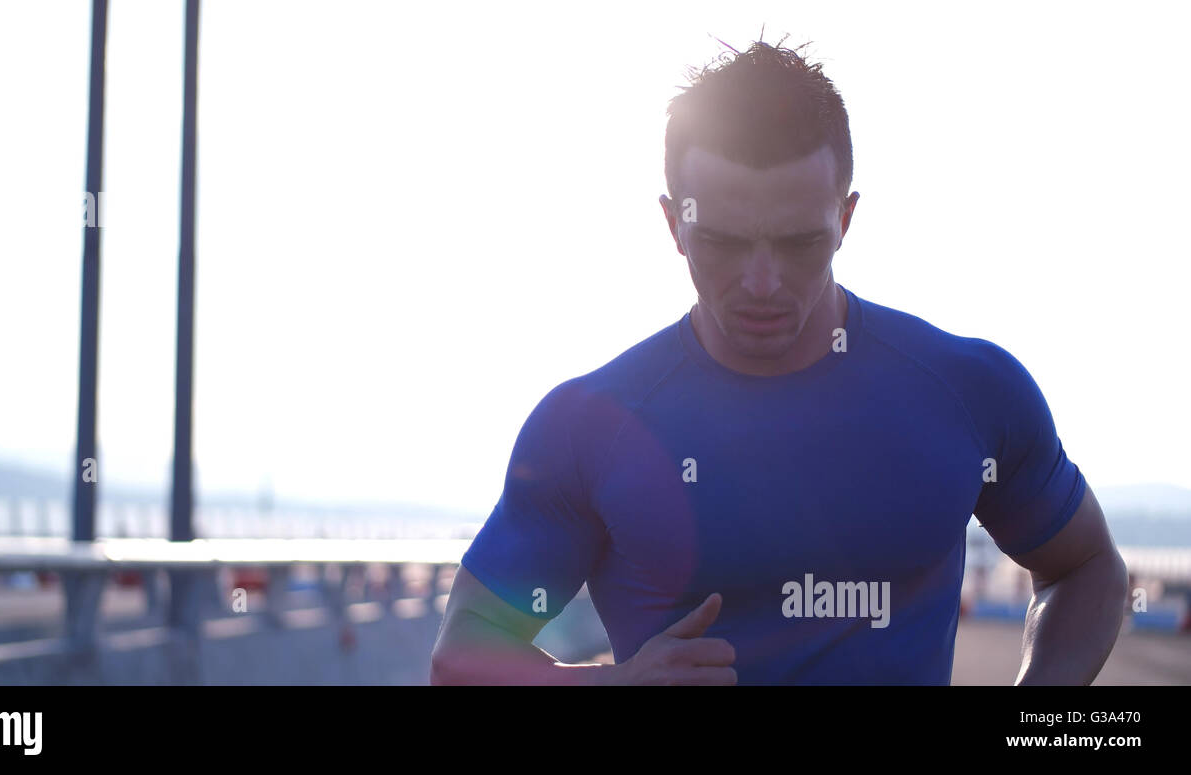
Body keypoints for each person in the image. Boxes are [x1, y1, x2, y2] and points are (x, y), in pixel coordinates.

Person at [430, 36, 1128, 685]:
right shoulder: (588, 428)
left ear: (845, 220)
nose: (762, 282)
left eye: (797, 243)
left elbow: (1086, 568)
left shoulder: (969, 392)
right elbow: (464, 651)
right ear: (675, 225)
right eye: (727, 243)